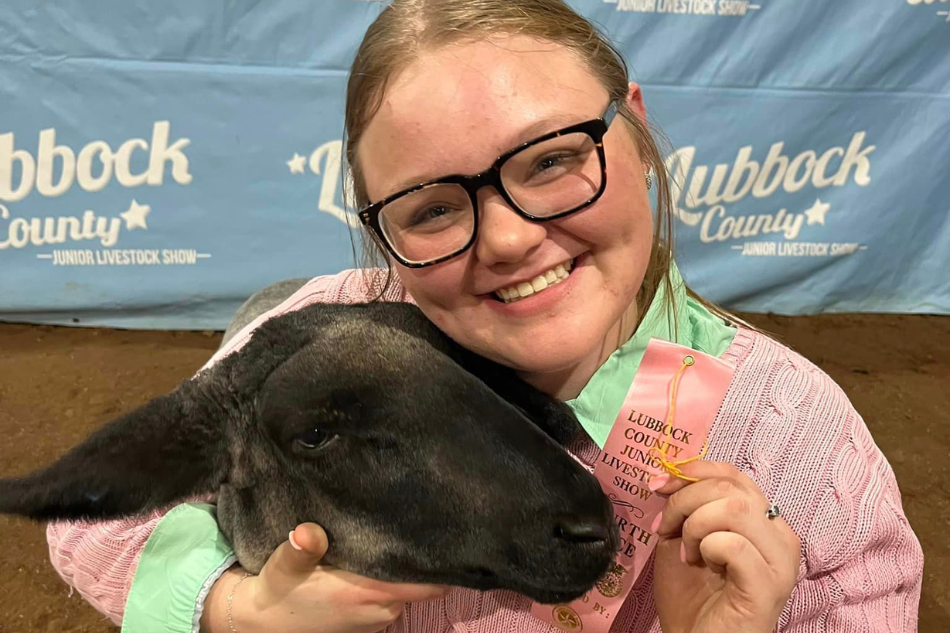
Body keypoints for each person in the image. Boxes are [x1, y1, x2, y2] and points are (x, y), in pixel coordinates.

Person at [46, 1, 923, 632]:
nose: (506, 238)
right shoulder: (320, 350)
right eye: (432, 209)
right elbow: (96, 517)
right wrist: (225, 607)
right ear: (380, 232)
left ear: (636, 130)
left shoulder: (800, 443)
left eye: (551, 160)